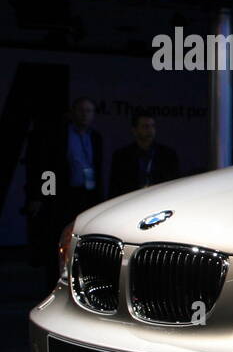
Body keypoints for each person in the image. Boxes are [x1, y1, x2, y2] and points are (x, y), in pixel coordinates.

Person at [23, 96, 105, 289]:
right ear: (73, 112)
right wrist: (43, 196)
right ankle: (54, 284)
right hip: (63, 196)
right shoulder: (59, 135)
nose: (85, 115)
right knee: (58, 238)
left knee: (85, 240)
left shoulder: (95, 137)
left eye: (89, 111)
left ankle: (83, 283)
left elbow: (97, 168)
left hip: (88, 196)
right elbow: (46, 167)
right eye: (82, 110)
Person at [109, 112, 180, 198]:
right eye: (145, 126)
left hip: (160, 199)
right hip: (131, 201)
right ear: (134, 130)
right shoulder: (122, 156)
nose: (150, 130)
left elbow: (173, 184)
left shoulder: (167, 154)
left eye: (152, 126)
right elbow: (115, 188)